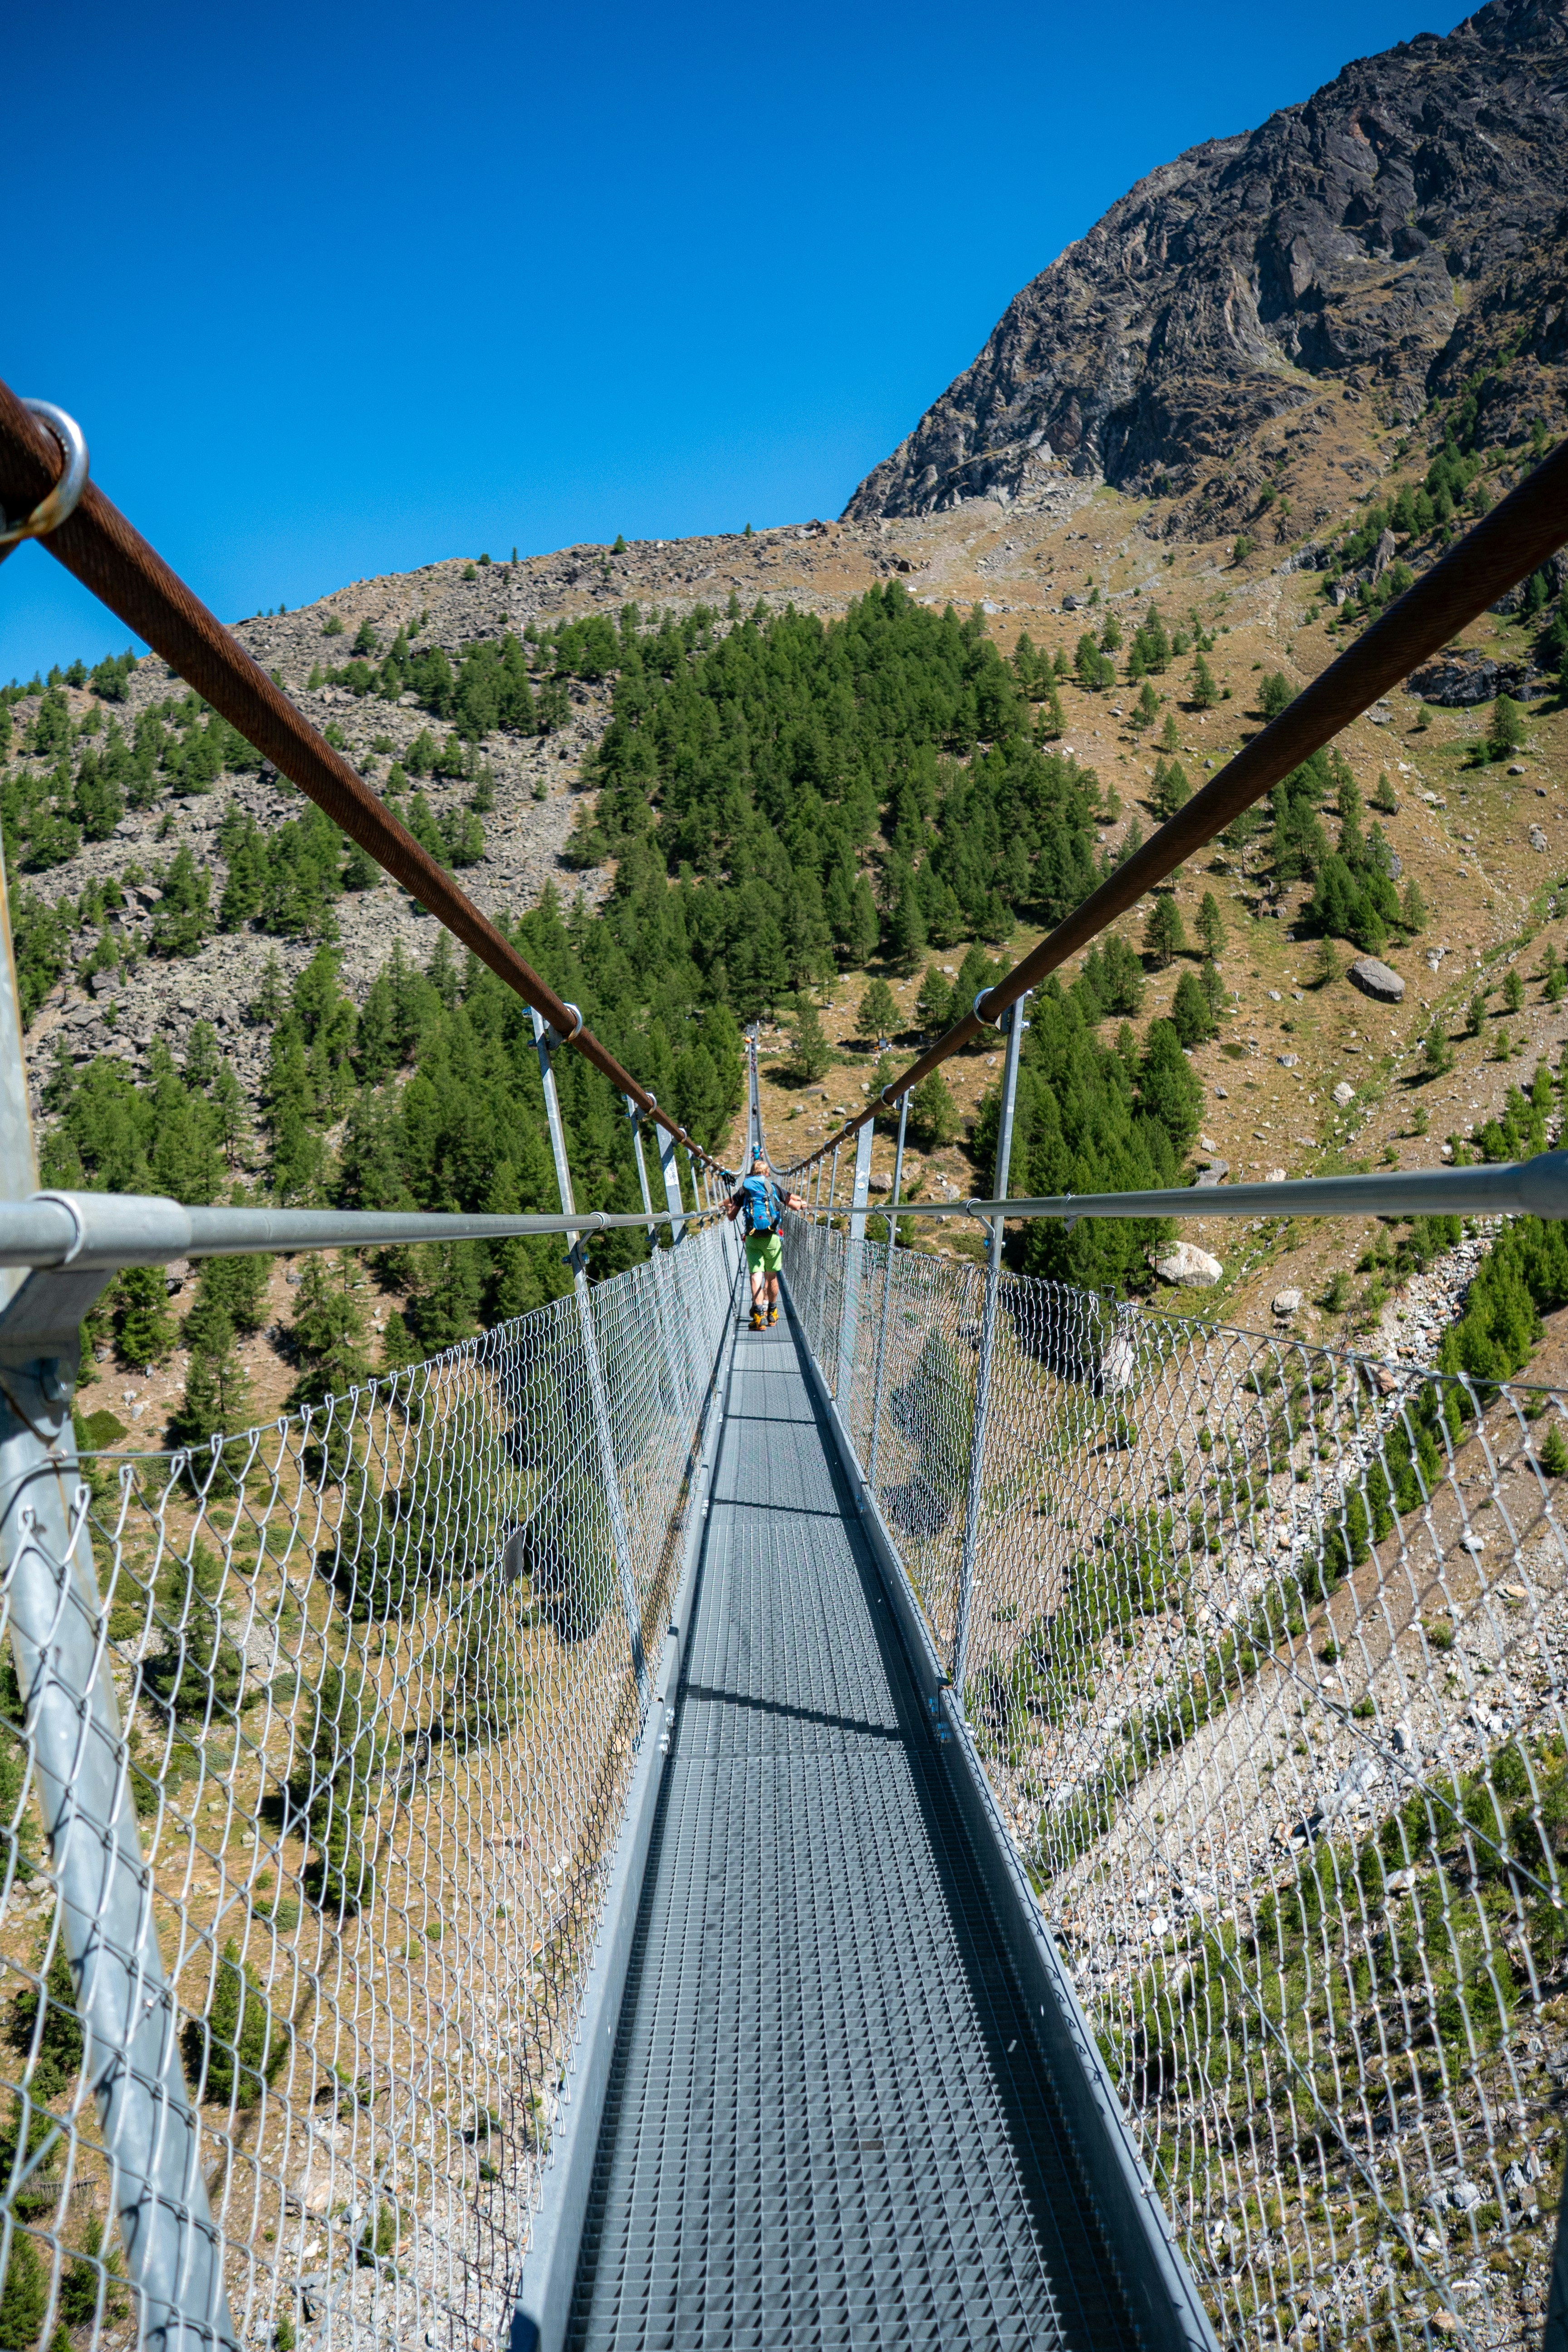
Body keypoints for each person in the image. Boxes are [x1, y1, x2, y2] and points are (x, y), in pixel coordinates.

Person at [725, 1156, 806, 1330]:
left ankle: (758, 1316)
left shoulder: (744, 1189)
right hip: (772, 1237)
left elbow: (731, 1216)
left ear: (752, 1173)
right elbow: (795, 1206)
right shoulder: (773, 1187)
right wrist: (803, 1204)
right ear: (767, 1173)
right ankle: (772, 1313)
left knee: (756, 1275)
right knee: (772, 1276)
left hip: (752, 1237)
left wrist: (726, 1209)